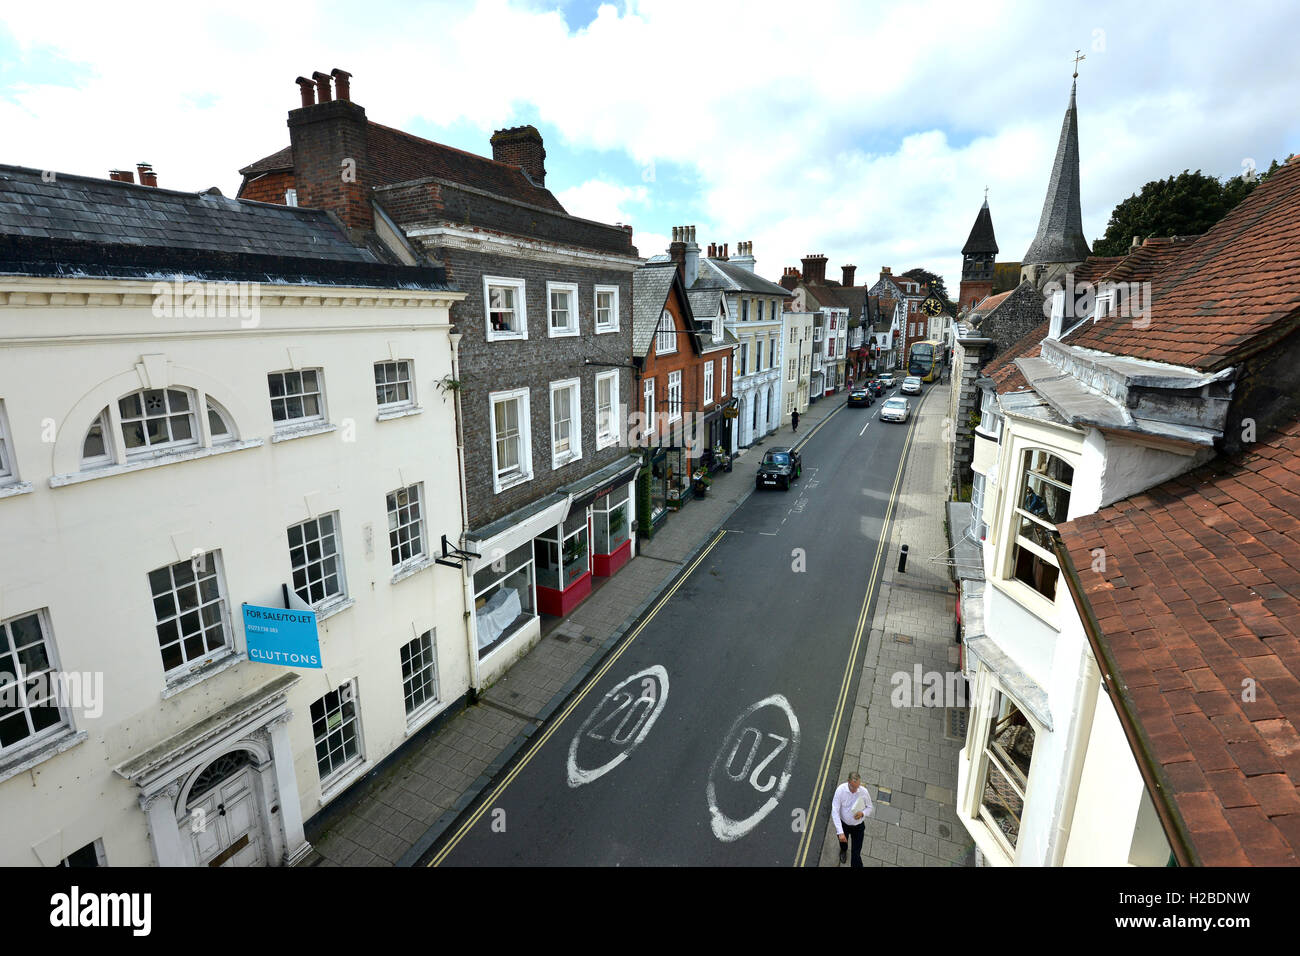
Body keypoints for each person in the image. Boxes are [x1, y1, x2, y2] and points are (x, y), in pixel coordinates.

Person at [831, 771, 874, 866]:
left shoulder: (863, 792)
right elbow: (835, 810)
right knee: (843, 842)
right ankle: (843, 850)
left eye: (857, 786)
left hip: (858, 827)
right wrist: (840, 832)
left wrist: (862, 813)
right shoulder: (840, 791)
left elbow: (870, 807)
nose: (855, 790)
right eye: (853, 787)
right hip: (844, 825)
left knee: (856, 854)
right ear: (848, 782)